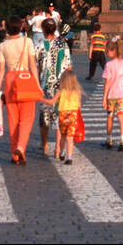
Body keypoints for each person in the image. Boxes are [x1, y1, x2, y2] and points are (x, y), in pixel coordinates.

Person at [0, 16, 41, 165]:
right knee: (26, 119)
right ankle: (21, 147)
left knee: (13, 120)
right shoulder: (27, 42)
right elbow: (33, 65)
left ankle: (14, 155)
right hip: (25, 79)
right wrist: (38, 85)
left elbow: (1, 70)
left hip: (10, 80)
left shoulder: (3, 46)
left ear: (7, 29)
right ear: (21, 27)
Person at [36, 19, 72, 157]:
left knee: (44, 116)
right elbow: (68, 66)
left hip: (45, 85)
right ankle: (57, 148)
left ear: (44, 30)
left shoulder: (39, 44)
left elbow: (36, 64)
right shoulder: (63, 44)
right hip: (60, 85)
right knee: (58, 116)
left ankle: (44, 144)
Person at [43, 69, 83, 165]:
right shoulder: (77, 92)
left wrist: (41, 99)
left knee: (63, 137)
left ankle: (62, 152)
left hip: (63, 117)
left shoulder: (60, 91)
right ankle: (69, 157)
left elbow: (52, 102)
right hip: (73, 116)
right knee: (70, 138)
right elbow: (79, 105)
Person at [101, 37, 123, 151]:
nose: (107, 52)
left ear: (114, 51)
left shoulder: (109, 65)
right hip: (122, 96)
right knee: (121, 118)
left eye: (108, 50)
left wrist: (104, 97)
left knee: (110, 117)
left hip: (111, 96)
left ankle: (109, 140)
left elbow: (107, 83)